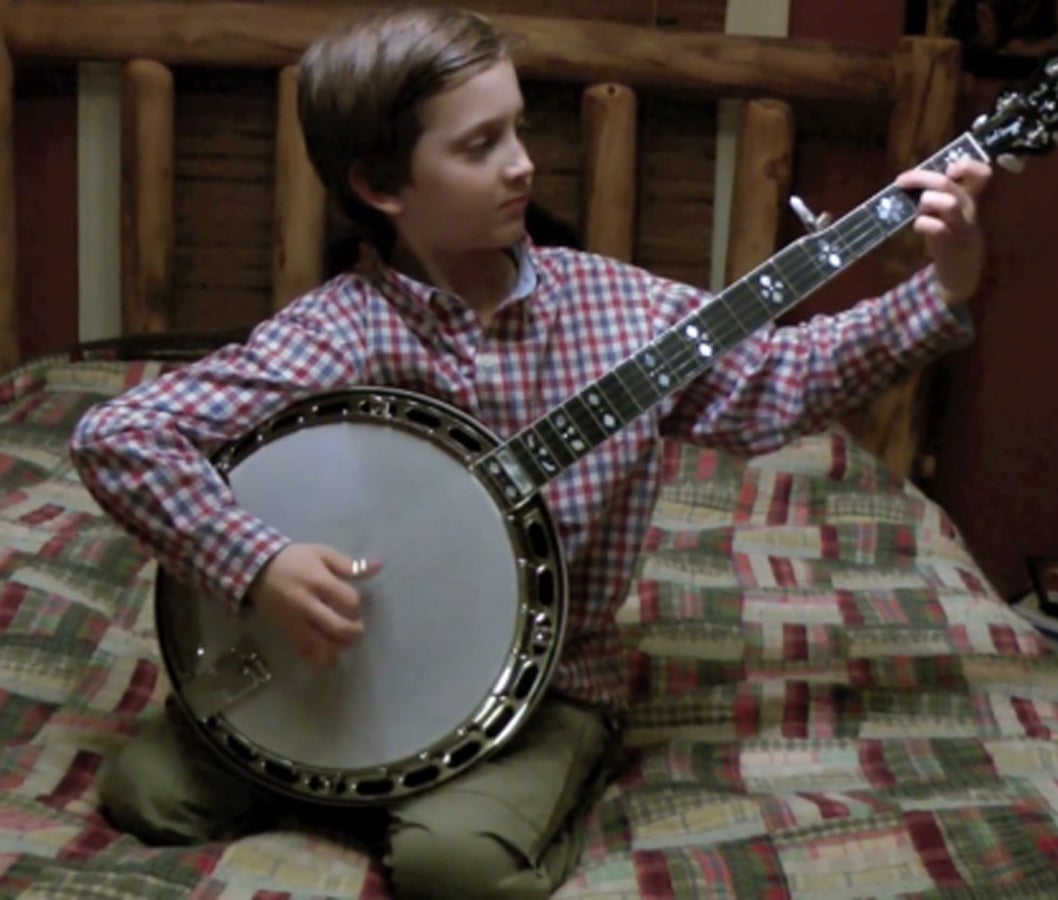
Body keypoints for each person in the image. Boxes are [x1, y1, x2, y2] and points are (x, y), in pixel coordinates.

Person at [68, 5, 992, 899]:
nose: (522, 164)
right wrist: (258, 564)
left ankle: (463, 787)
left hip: (544, 686)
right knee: (141, 792)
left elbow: (781, 377)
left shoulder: (619, 315)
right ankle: (353, 768)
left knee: (453, 868)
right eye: (480, 145)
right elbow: (117, 436)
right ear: (382, 187)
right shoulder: (335, 333)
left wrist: (944, 284)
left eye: (517, 129)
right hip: (340, 659)